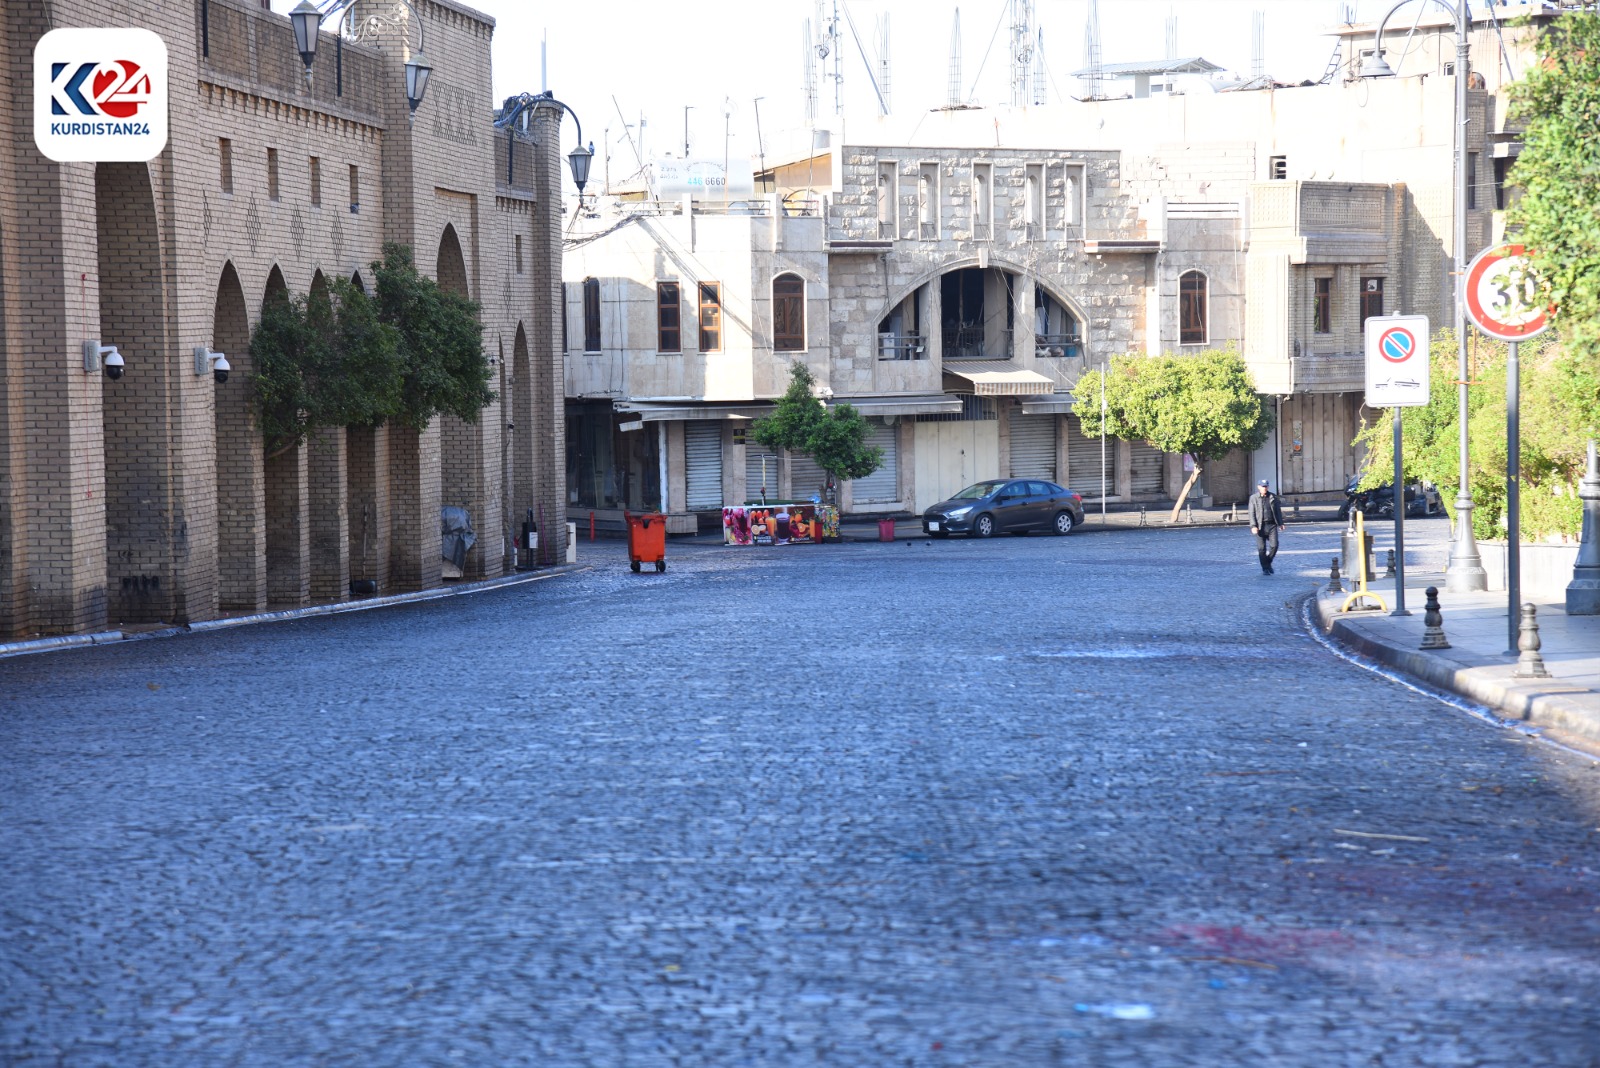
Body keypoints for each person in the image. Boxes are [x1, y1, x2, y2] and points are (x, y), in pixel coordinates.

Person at [1248, 479, 1286, 574]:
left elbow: (1278, 511)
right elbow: (1251, 513)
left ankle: (1267, 563)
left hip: (1272, 525)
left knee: (1274, 546)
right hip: (1260, 526)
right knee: (1261, 549)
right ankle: (1265, 568)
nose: (1264, 488)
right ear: (1258, 487)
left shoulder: (1273, 497)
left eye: (1266, 486)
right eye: (1263, 486)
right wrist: (1253, 526)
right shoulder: (1253, 498)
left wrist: (1281, 523)